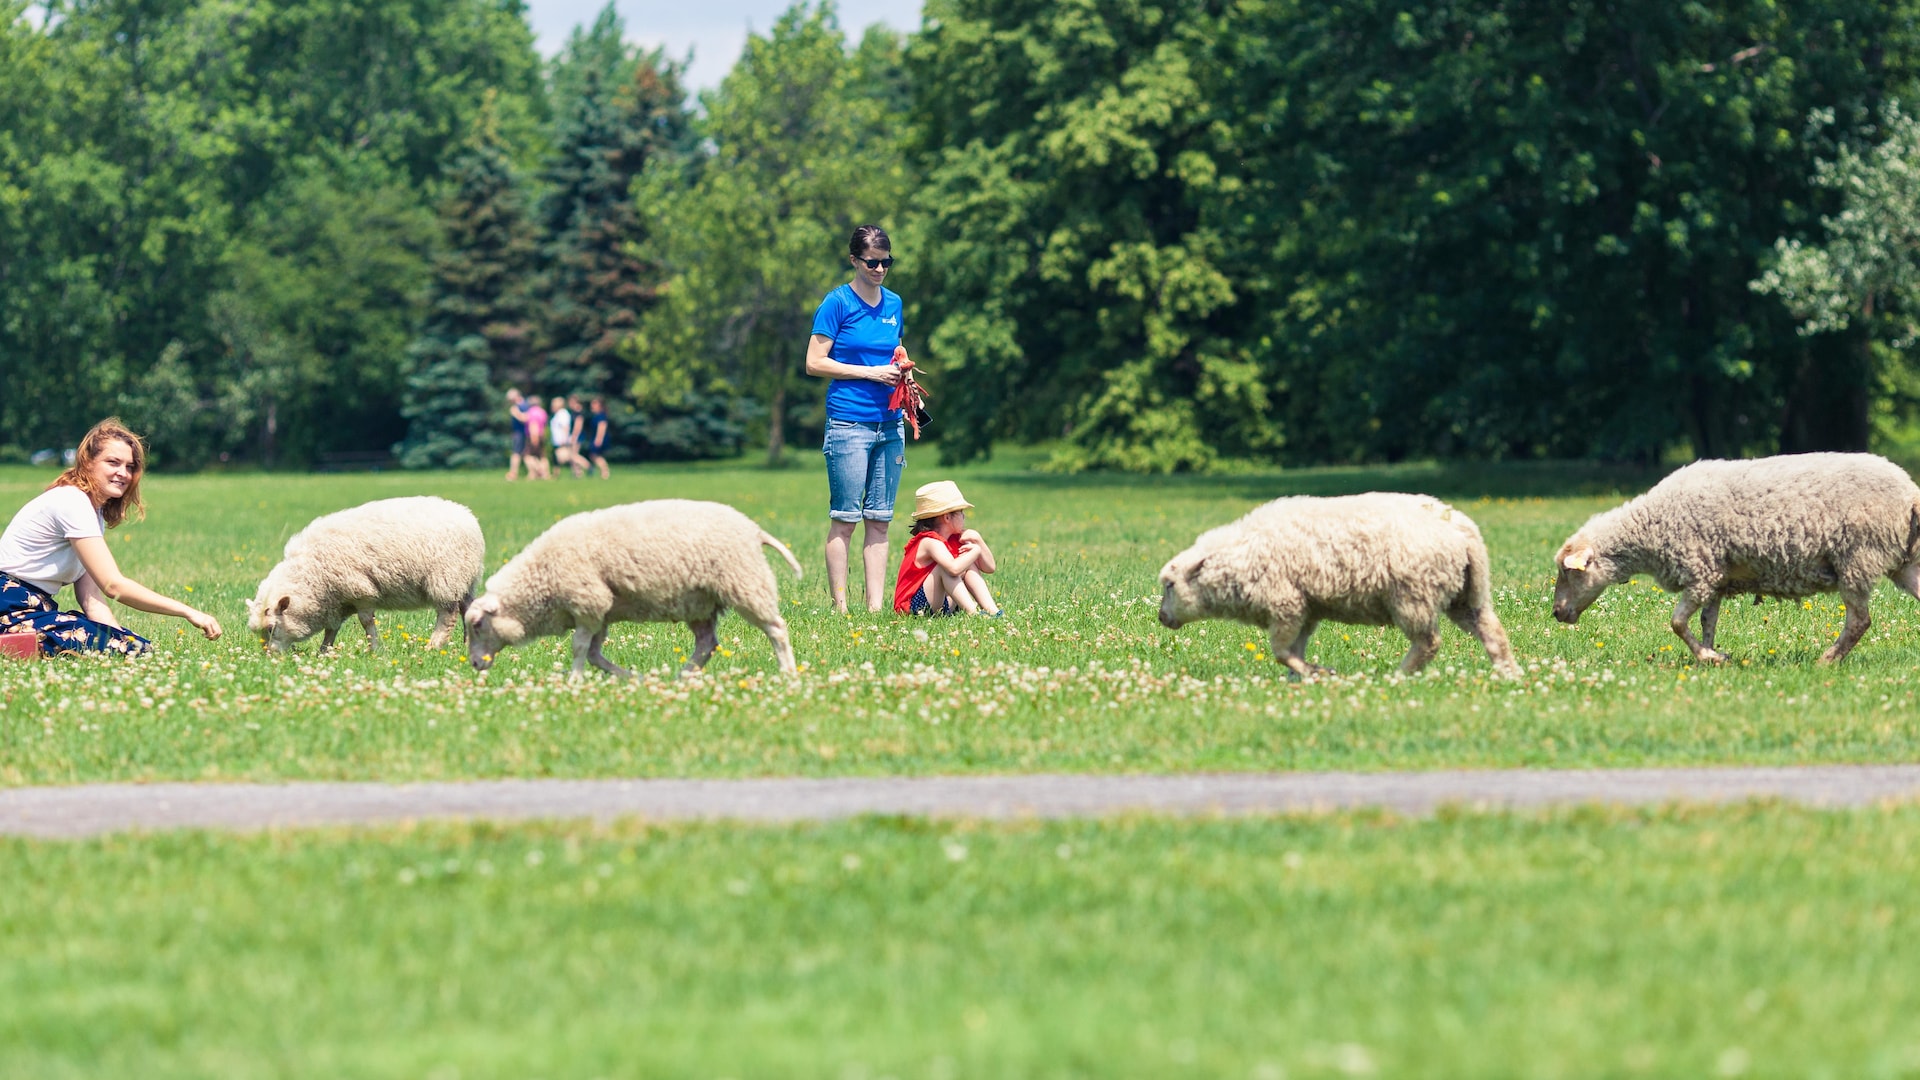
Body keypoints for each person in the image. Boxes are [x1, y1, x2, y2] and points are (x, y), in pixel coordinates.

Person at [0, 419, 223, 655]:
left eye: (130, 466)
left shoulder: (92, 512)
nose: (123, 473)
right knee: (124, 649)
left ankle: (20, 646)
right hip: (9, 608)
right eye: (113, 463)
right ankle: (11, 646)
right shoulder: (71, 501)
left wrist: (120, 640)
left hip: (32, 611)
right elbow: (113, 585)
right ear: (87, 462)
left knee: (137, 648)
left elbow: (91, 597)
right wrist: (188, 611)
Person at [805, 224, 907, 613]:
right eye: (872, 262)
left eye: (886, 262)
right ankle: (841, 608)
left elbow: (895, 347)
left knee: (879, 519)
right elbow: (814, 362)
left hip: (890, 422)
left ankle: (876, 609)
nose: (880, 269)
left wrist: (903, 367)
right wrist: (870, 373)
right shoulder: (837, 303)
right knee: (846, 519)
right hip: (849, 423)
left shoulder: (894, 304)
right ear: (854, 261)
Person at [893, 480, 1001, 617]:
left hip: (939, 603)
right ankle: (973, 613)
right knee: (947, 568)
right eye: (961, 512)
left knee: (968, 563)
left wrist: (978, 541)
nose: (964, 516)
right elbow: (953, 569)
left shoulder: (955, 538)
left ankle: (993, 611)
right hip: (913, 607)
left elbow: (990, 568)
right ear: (947, 517)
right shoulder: (929, 541)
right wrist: (975, 551)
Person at [504, 389, 531, 481]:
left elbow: (526, 418)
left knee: (516, 453)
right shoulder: (519, 405)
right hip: (518, 433)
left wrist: (516, 413)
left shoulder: (522, 406)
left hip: (521, 433)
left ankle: (513, 473)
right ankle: (535, 473)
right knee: (525, 455)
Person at [582, 397, 611, 480]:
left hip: (599, 438)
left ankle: (605, 471)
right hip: (596, 437)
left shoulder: (601, 416)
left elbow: (602, 427)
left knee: (594, 455)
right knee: (594, 456)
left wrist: (599, 439)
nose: (592, 406)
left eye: (594, 404)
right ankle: (604, 472)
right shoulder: (597, 416)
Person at [524, 396, 550, 480]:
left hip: (533, 436)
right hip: (542, 435)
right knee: (542, 456)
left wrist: (533, 438)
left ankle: (539, 470)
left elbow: (533, 425)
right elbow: (544, 425)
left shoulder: (531, 412)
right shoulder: (543, 412)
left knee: (527, 456)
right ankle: (545, 474)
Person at [549, 396, 575, 477]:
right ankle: (556, 475)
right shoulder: (558, 414)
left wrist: (564, 439)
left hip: (562, 440)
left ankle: (587, 467)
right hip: (557, 440)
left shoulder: (562, 413)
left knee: (568, 458)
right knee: (559, 458)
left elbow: (565, 427)